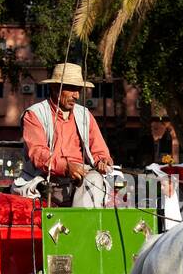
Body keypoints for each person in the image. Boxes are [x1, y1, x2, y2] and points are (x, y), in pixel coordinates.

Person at [18, 61, 114, 207]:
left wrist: (103, 160)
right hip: (46, 181)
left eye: (78, 90)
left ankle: (83, 220)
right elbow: (38, 154)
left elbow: (99, 150)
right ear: (55, 88)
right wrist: (66, 167)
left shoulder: (85, 115)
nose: (76, 95)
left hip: (82, 179)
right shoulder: (34, 114)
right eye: (71, 89)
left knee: (94, 179)